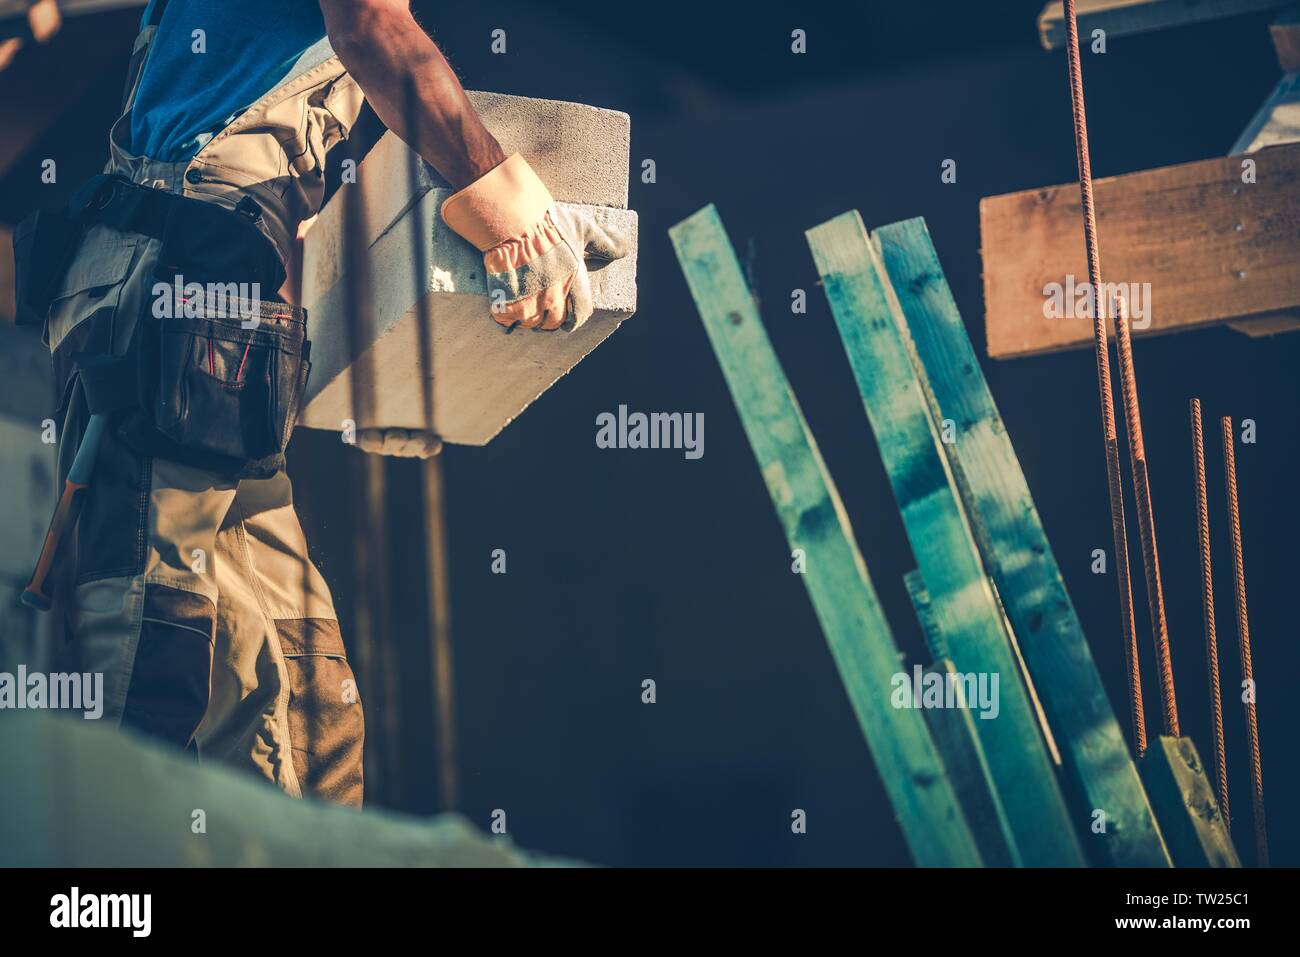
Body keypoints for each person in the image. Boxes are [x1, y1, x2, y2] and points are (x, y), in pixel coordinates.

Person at [18, 0, 627, 807]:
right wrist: (507, 204)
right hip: (171, 284)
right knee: (148, 639)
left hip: (209, 288)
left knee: (304, 696)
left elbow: (275, 204)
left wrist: (398, 386)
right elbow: (372, 28)